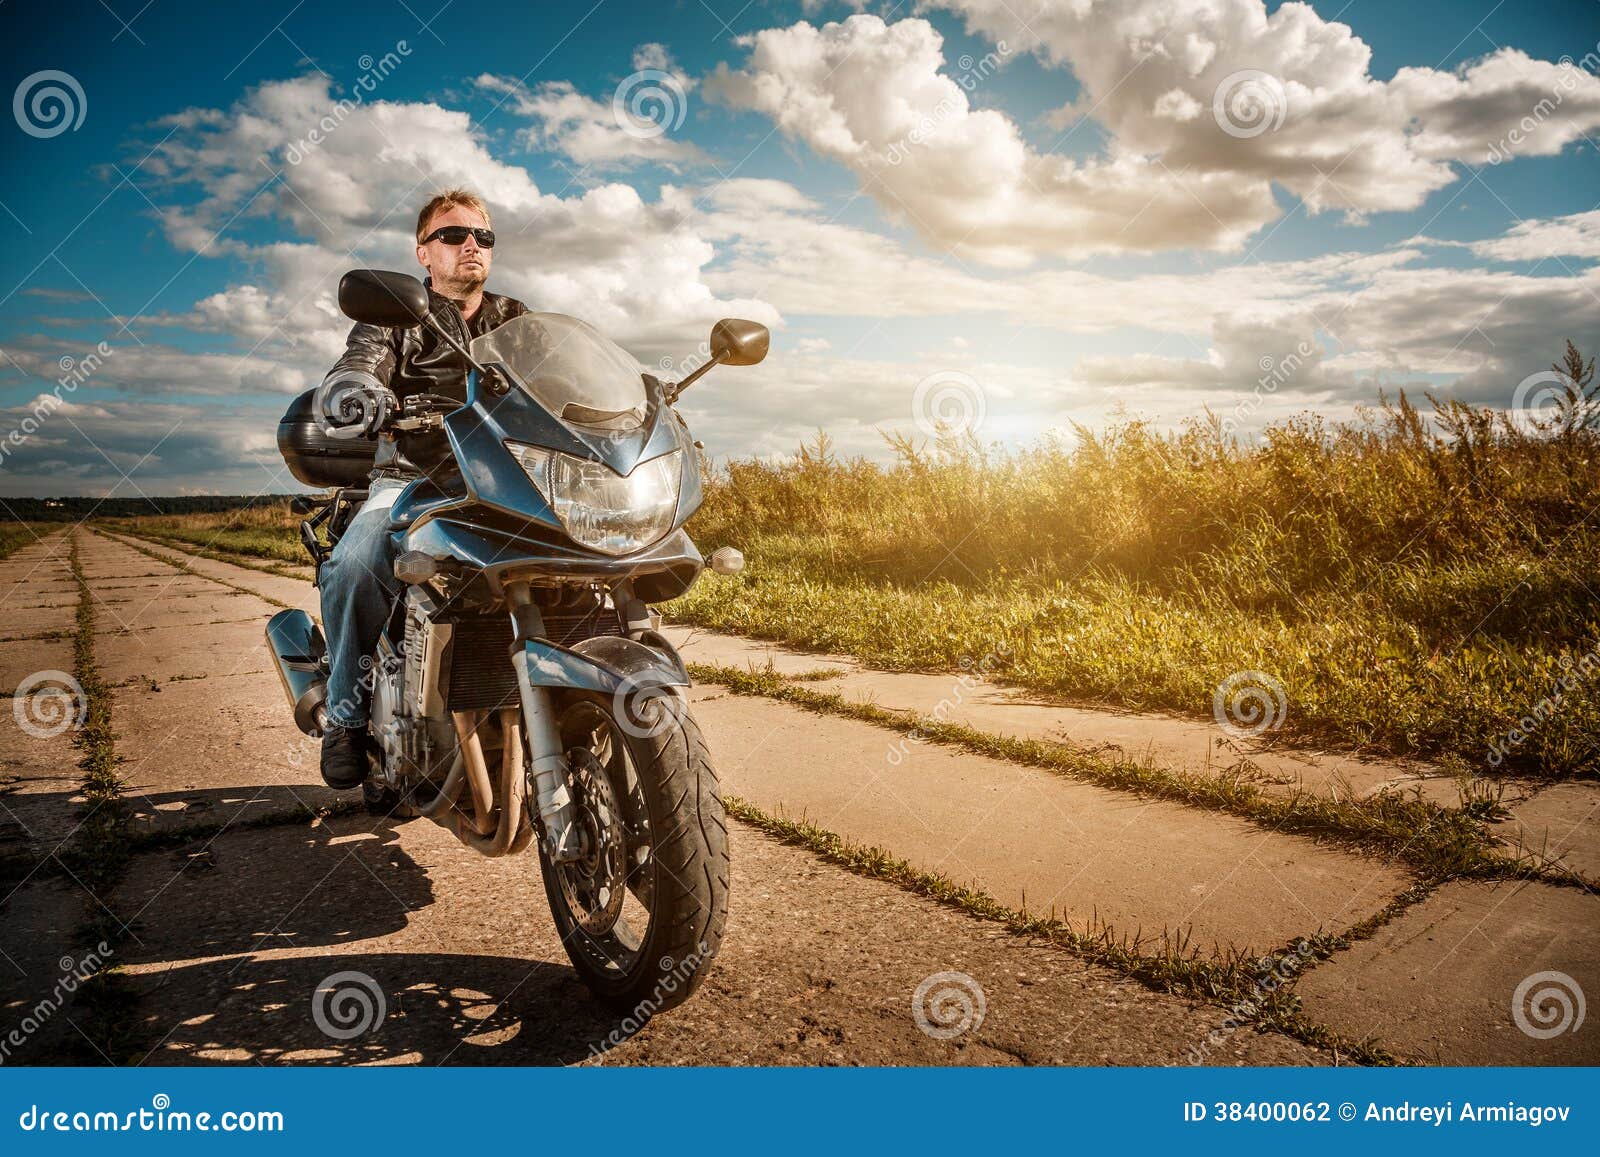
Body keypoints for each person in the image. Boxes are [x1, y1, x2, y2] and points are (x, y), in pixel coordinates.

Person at [316, 189, 528, 789]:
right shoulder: (392, 318)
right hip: (411, 477)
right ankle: (347, 716)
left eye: (483, 238)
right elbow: (358, 362)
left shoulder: (515, 317)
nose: (472, 247)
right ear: (423, 253)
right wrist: (360, 388)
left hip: (503, 477)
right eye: (455, 236)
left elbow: (555, 371)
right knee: (357, 562)